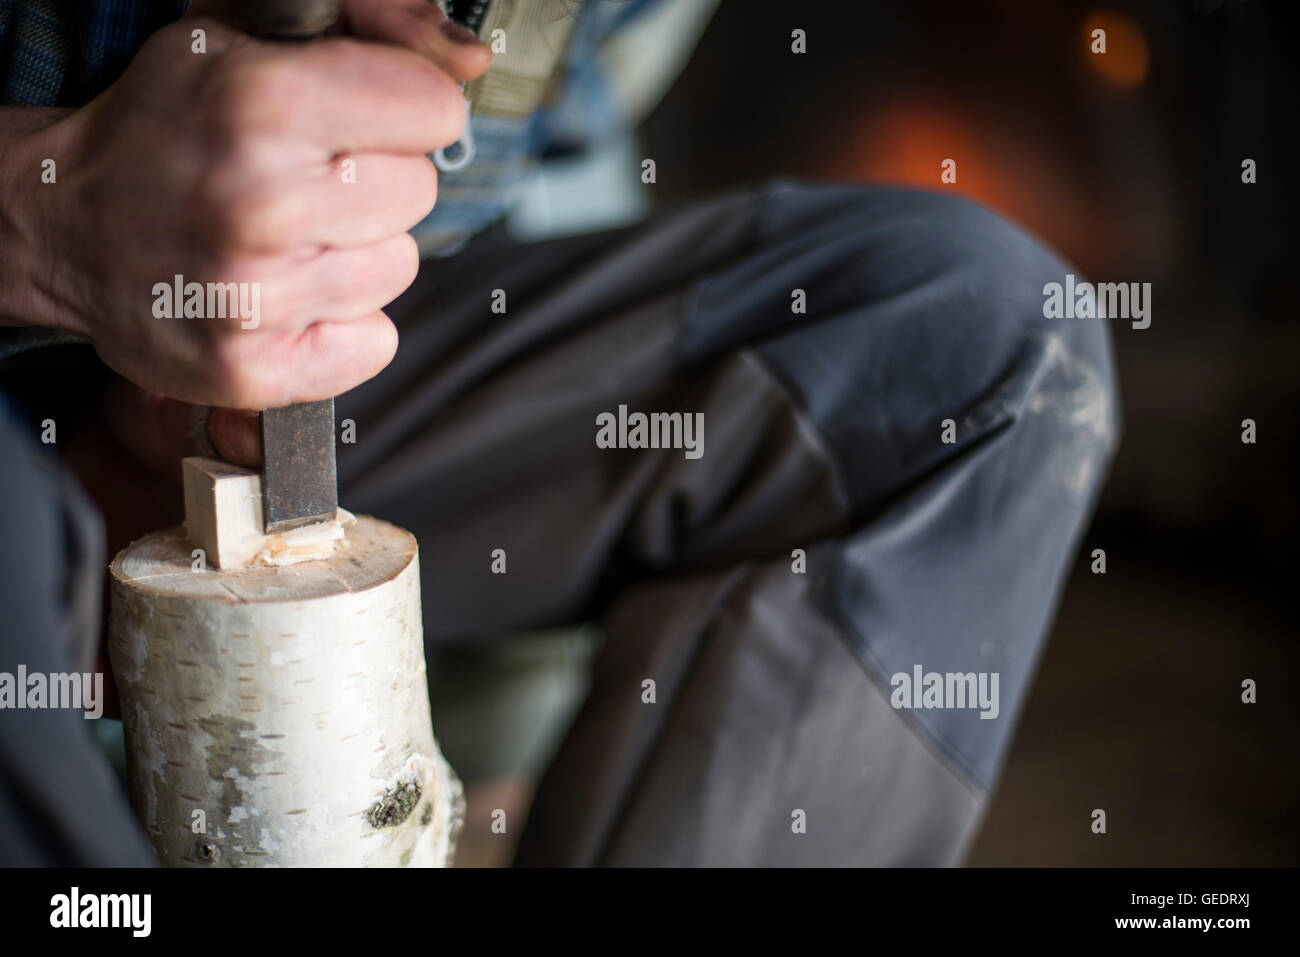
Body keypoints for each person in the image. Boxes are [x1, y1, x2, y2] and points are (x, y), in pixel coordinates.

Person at [0, 0, 1119, 866]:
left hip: (316, 389)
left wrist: (481, 731)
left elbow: (562, 172)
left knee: (980, 350)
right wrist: (46, 221)